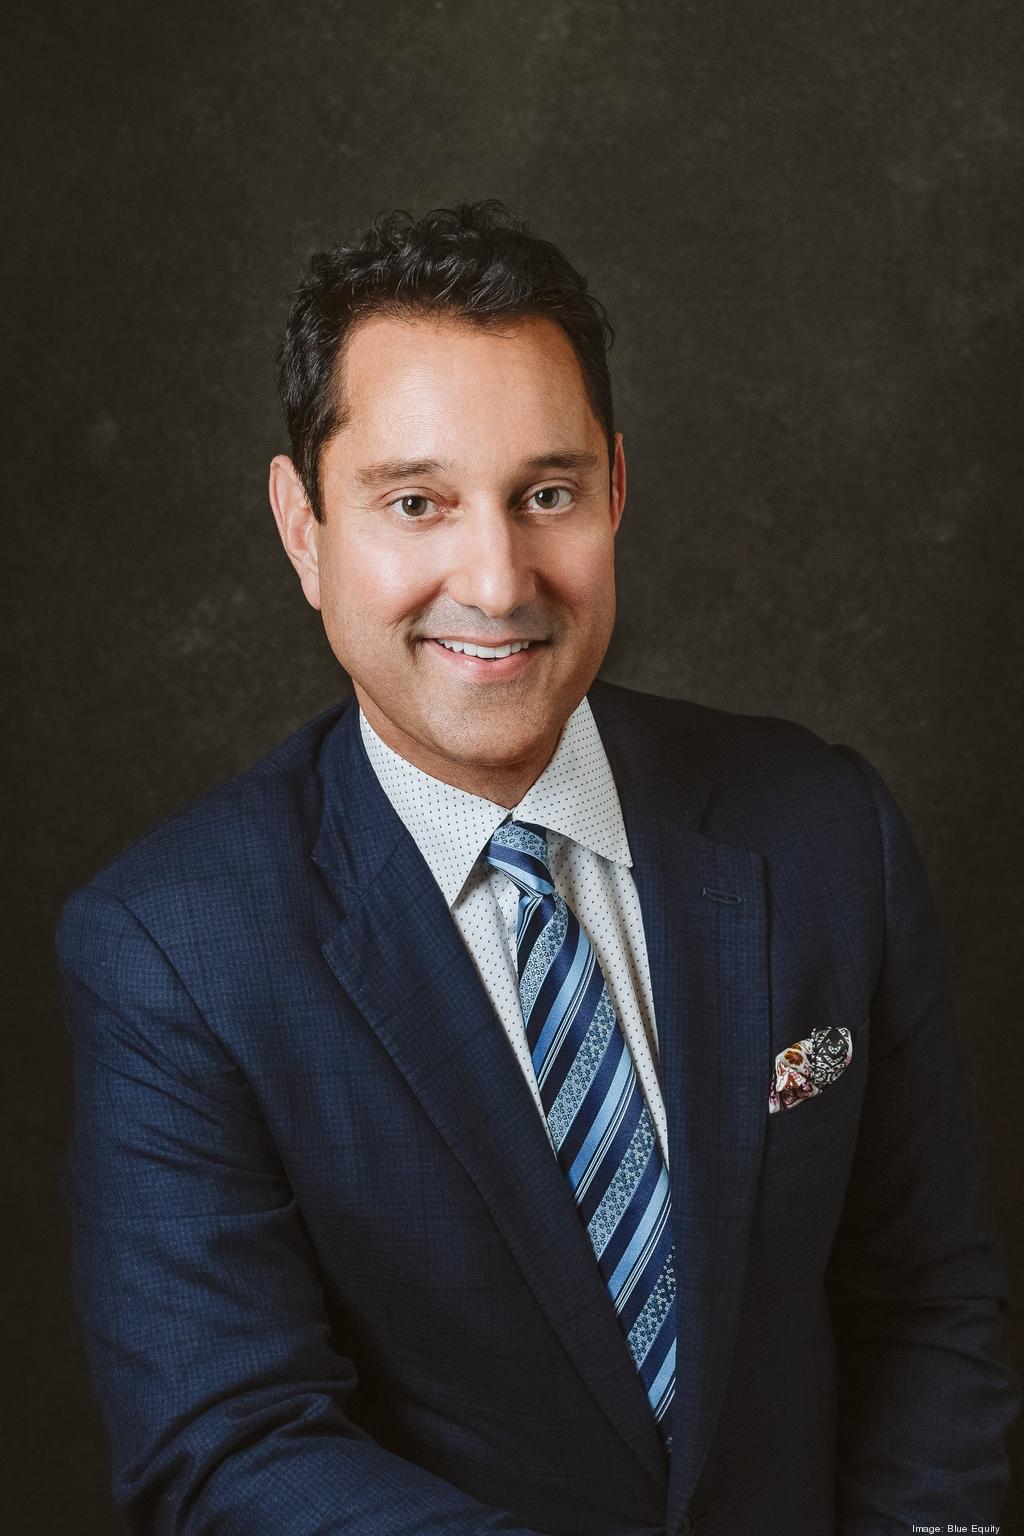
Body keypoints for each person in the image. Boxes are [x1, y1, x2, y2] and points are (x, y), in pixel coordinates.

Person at [57, 200, 1018, 1536]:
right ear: (303, 527)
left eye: (546, 495)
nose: (499, 581)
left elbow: (926, 1302)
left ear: (616, 490)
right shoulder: (173, 948)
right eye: (416, 504)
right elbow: (228, 1446)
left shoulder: (823, 826)